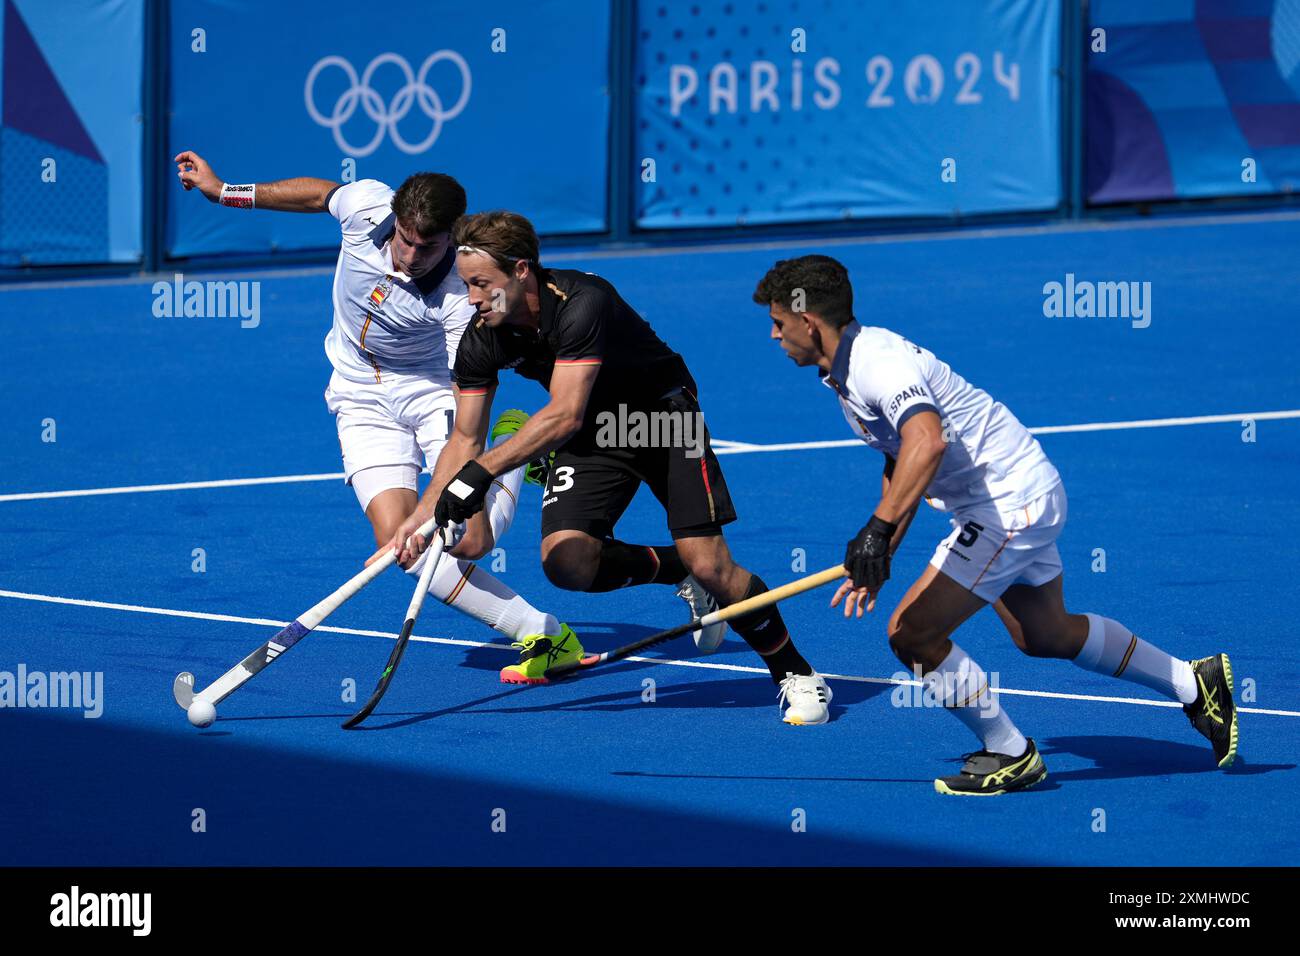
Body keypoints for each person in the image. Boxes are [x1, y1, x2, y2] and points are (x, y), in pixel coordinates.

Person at [753, 253, 1238, 792]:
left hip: (1009, 504)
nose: (774, 336)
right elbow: (901, 460)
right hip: (1012, 494)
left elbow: (927, 441)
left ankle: (1010, 752)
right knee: (1044, 633)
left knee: (913, 633)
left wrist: (878, 530)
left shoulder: (877, 365)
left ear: (809, 321)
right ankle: (1194, 682)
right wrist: (883, 547)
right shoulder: (845, 369)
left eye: (778, 323)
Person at [388, 210, 832, 723]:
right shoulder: (482, 337)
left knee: (715, 565)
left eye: (483, 284)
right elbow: (464, 437)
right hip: (594, 430)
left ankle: (796, 673)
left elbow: (562, 413)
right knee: (568, 563)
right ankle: (681, 572)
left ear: (523, 270)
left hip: (661, 417)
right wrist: (421, 519)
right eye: (466, 285)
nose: (472, 299)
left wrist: (481, 473)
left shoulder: (583, 303)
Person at [173, 153, 573, 657]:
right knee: (400, 545)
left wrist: (430, 507)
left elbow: (462, 431)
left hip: (432, 393)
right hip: (358, 391)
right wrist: (225, 190)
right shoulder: (366, 208)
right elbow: (320, 195)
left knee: (468, 539)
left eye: (427, 247)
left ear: (453, 236)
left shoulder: (458, 298)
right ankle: (542, 632)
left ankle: (516, 450)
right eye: (405, 238)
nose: (409, 254)